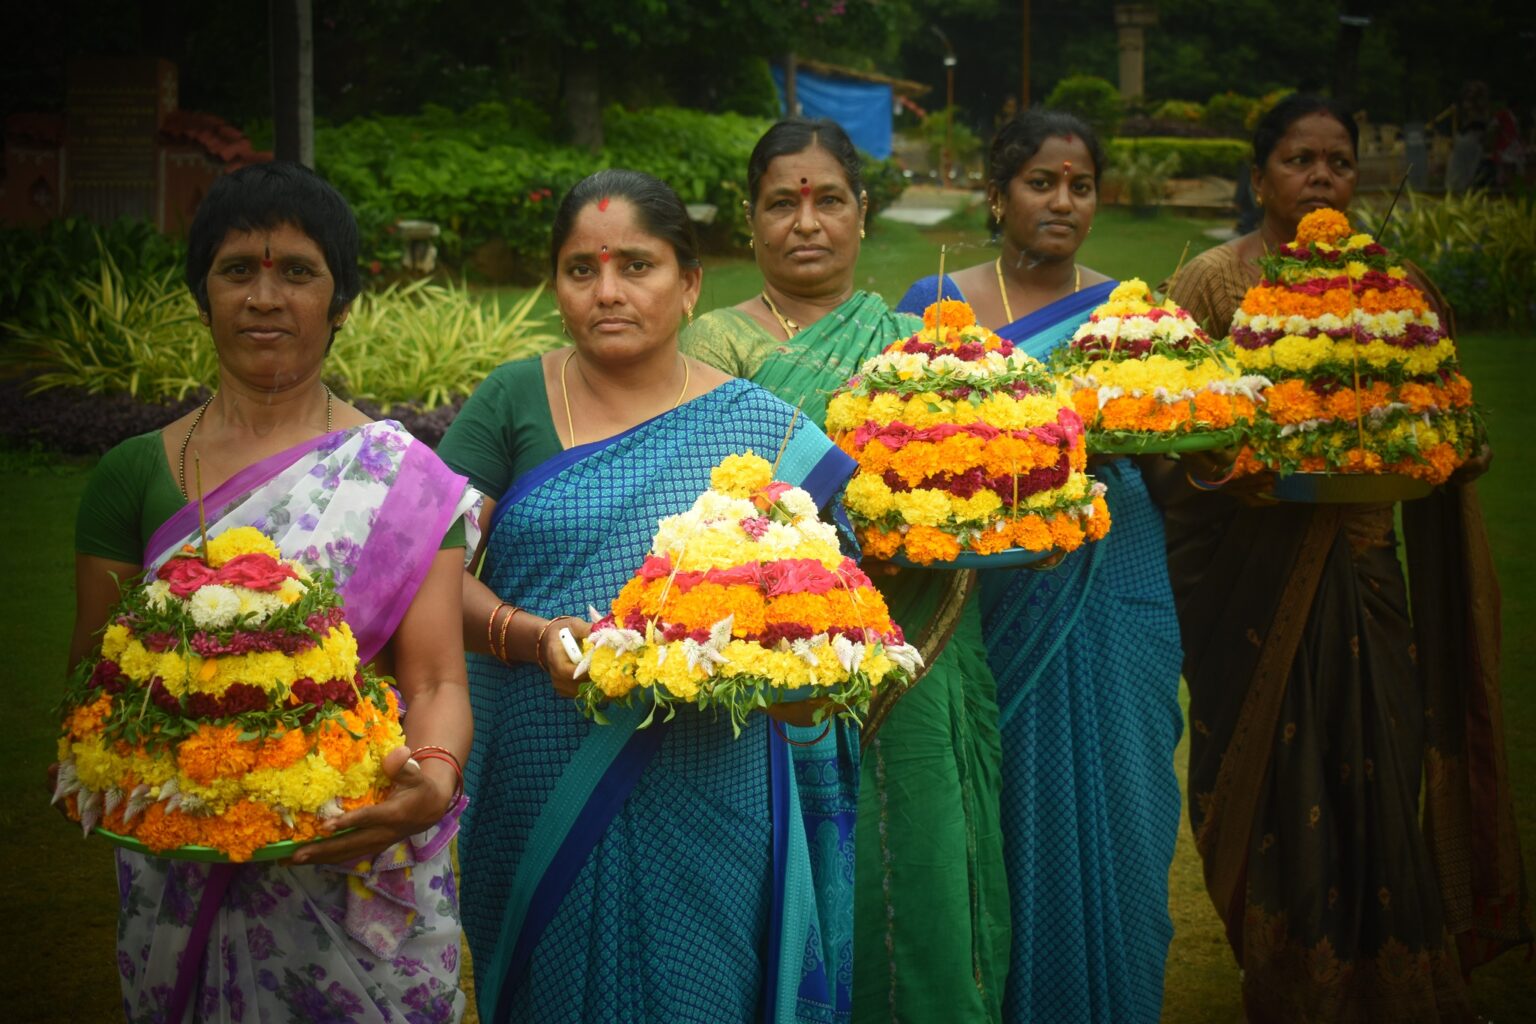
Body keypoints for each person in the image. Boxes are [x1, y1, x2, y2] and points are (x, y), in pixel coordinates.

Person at [438, 169, 860, 1024]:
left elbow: (828, 598)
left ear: (690, 283)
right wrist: (532, 636)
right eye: (581, 269)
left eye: (638, 265)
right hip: (538, 757)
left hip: (712, 769)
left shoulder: (761, 427)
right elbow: (428, 583)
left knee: (703, 984)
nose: (608, 292)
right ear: (555, 283)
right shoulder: (513, 401)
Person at [69, 161, 477, 1022]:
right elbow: (94, 684)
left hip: (356, 853)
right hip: (177, 856)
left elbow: (436, 680)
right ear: (201, 293)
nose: (265, 296)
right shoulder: (133, 476)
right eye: (237, 270)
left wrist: (433, 780)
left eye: (297, 271)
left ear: (341, 300)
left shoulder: (404, 479)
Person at [1158, 94, 1529, 1022]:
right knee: (1255, 791)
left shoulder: (1396, 287)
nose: (1320, 176)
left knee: (1377, 768)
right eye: (1297, 159)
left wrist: (1455, 450)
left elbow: (1447, 415)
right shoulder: (1210, 284)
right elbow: (1161, 428)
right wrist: (1232, 467)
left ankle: (1391, 981)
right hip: (1239, 581)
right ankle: (1284, 978)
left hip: (1365, 574)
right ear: (1259, 178)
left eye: (1337, 160)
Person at [683, 118, 1011, 1024]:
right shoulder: (711, 346)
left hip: (919, 640)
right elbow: (702, 501)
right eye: (782, 203)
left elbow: (977, 478)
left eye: (829, 200)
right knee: (768, 880)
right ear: (749, 223)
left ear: (862, 215)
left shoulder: (917, 341)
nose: (806, 221)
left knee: (924, 859)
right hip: (758, 660)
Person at [895, 109, 1183, 1024]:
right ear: (996, 193)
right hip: (983, 582)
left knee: (1117, 807)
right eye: (1041, 182)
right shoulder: (932, 303)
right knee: (991, 803)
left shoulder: (1132, 312)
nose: (1063, 201)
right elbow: (892, 443)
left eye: (1081, 185)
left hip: (1111, 569)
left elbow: (1174, 440)